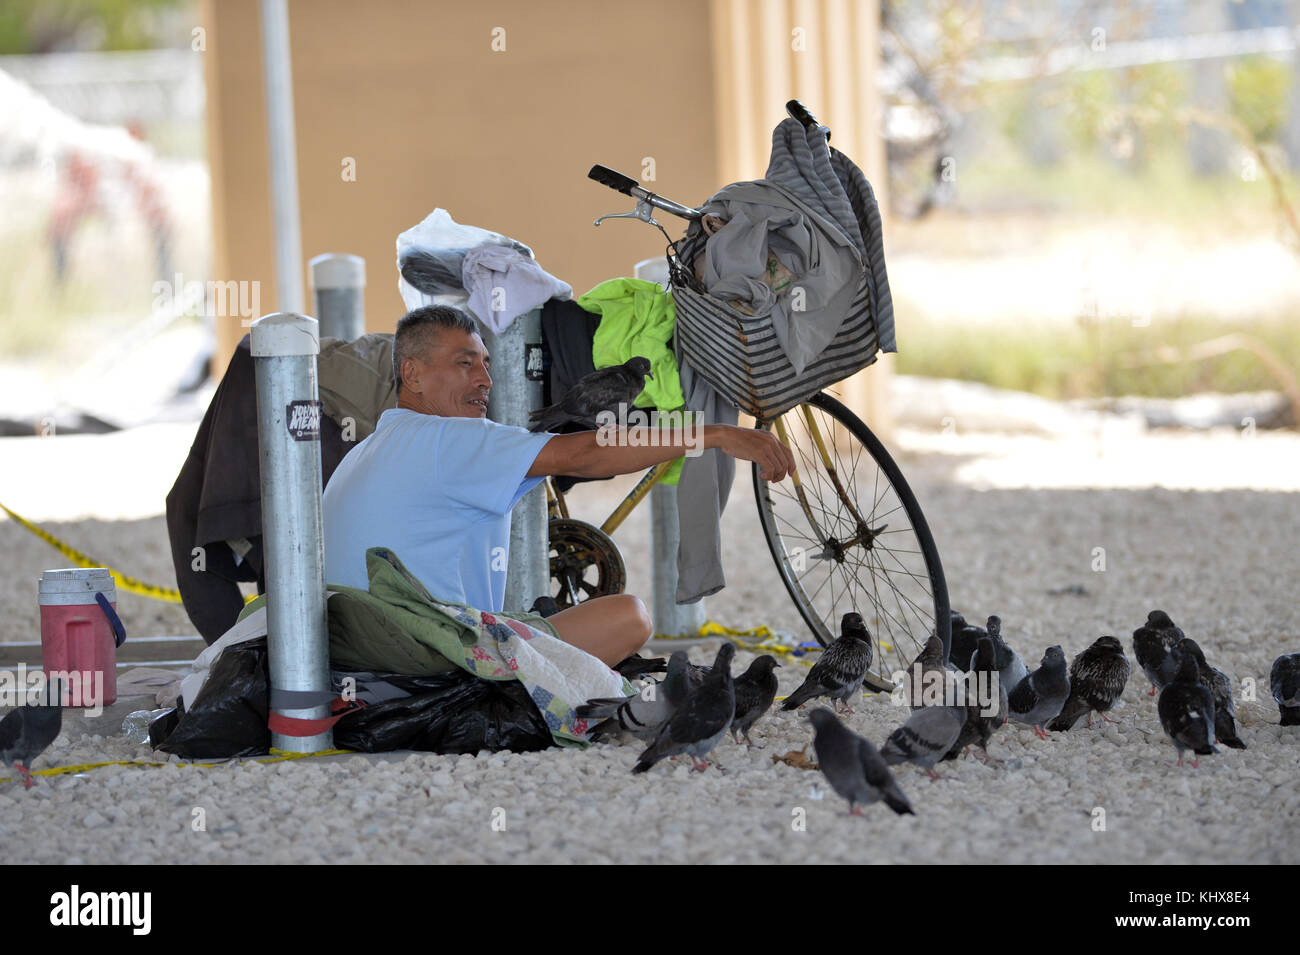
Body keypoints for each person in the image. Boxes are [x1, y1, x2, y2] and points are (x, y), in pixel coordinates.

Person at [322, 305, 796, 666]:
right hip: (432, 655)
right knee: (629, 616)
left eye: (486, 364)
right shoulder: (450, 438)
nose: (486, 379)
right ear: (412, 374)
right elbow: (584, 454)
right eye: (466, 364)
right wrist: (713, 433)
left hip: (360, 652)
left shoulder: (368, 448)